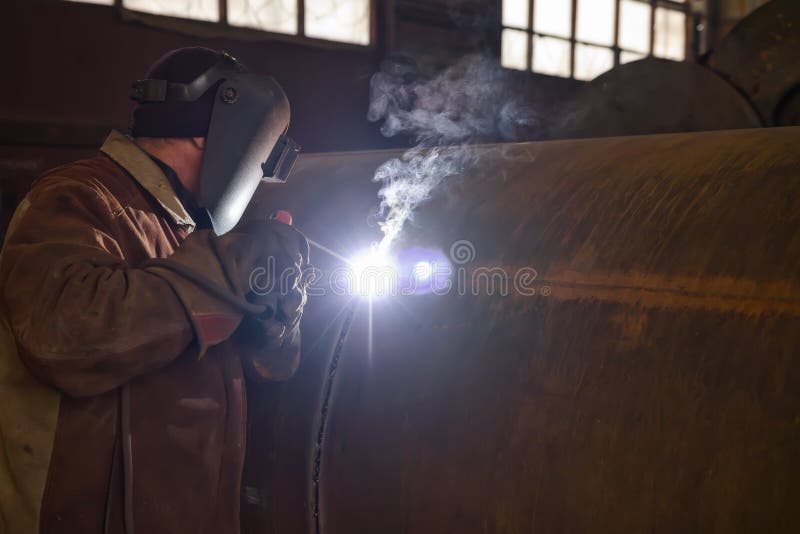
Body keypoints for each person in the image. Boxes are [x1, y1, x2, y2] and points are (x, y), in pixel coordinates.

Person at [0, 47, 308, 534]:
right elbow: (70, 336)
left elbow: (262, 372)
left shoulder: (187, 228)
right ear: (222, 135)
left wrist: (276, 317)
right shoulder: (75, 198)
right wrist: (229, 269)